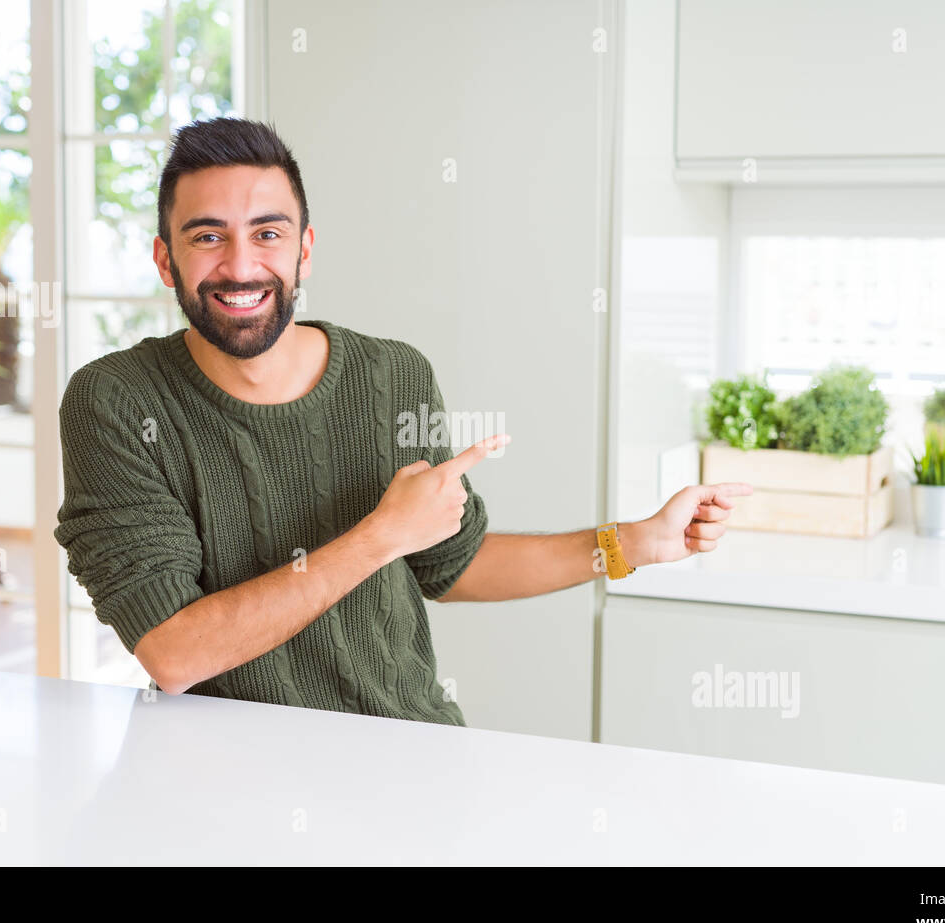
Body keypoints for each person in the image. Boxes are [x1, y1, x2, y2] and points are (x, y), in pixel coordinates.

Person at [55, 116, 751, 726]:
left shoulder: (392, 376)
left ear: (304, 250)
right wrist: (382, 533)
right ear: (164, 259)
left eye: (267, 233)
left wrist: (633, 541)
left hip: (407, 747)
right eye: (208, 236)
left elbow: (455, 561)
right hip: (226, 780)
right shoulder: (115, 403)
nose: (241, 265)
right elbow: (175, 652)